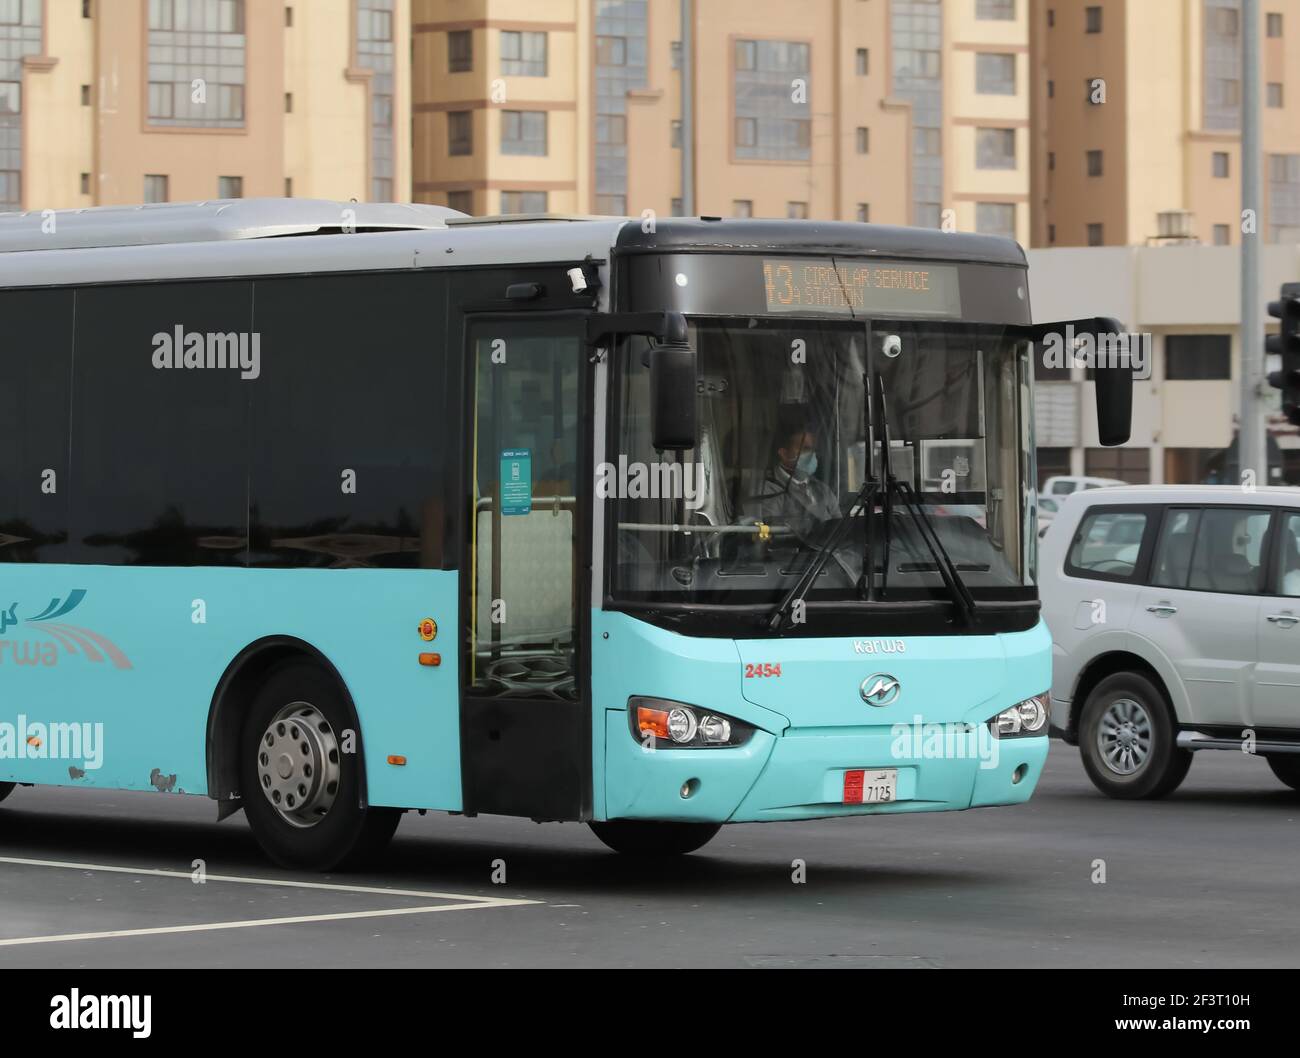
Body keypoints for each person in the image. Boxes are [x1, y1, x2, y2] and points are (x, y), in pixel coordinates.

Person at [747, 421, 840, 538]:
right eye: (805, 449)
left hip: (824, 554)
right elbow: (773, 532)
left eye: (813, 449)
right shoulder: (766, 489)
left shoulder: (822, 489)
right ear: (784, 454)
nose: (812, 454)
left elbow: (839, 529)